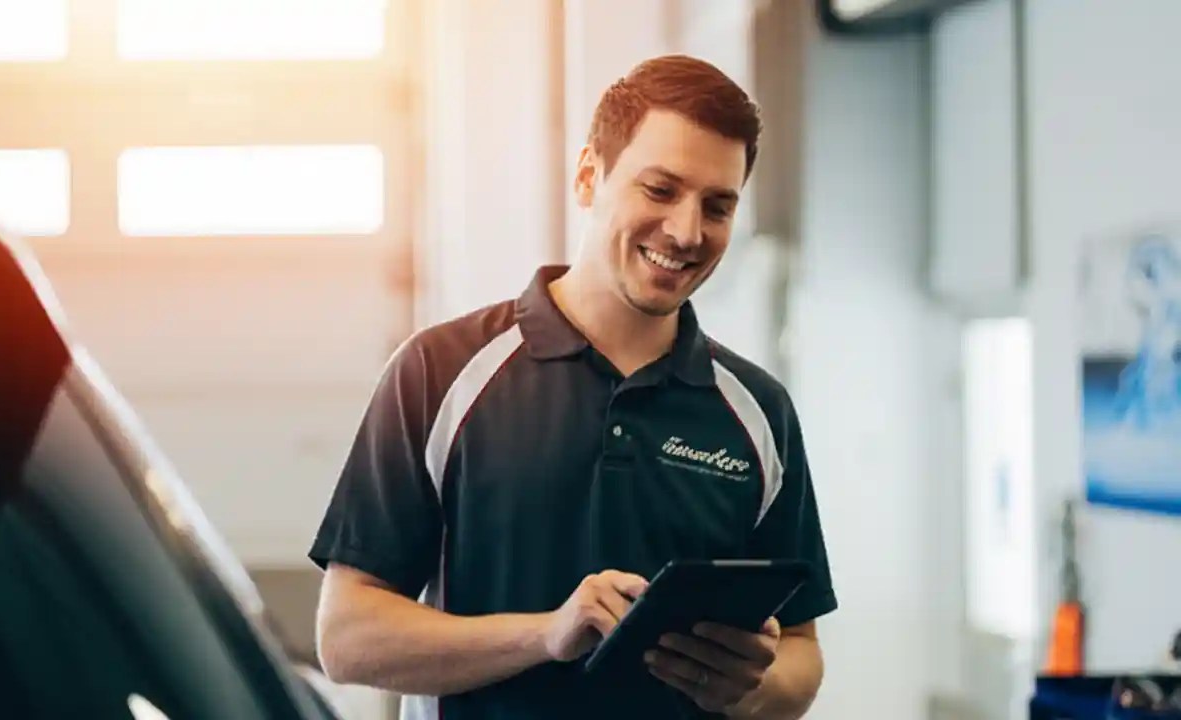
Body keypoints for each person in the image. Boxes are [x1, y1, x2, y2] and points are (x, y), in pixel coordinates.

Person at [308, 54, 836, 720]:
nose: (686, 231)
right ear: (590, 176)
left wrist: (748, 684)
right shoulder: (439, 373)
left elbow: (801, 655)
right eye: (660, 189)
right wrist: (546, 634)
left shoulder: (756, 412)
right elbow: (348, 639)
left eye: (718, 205)